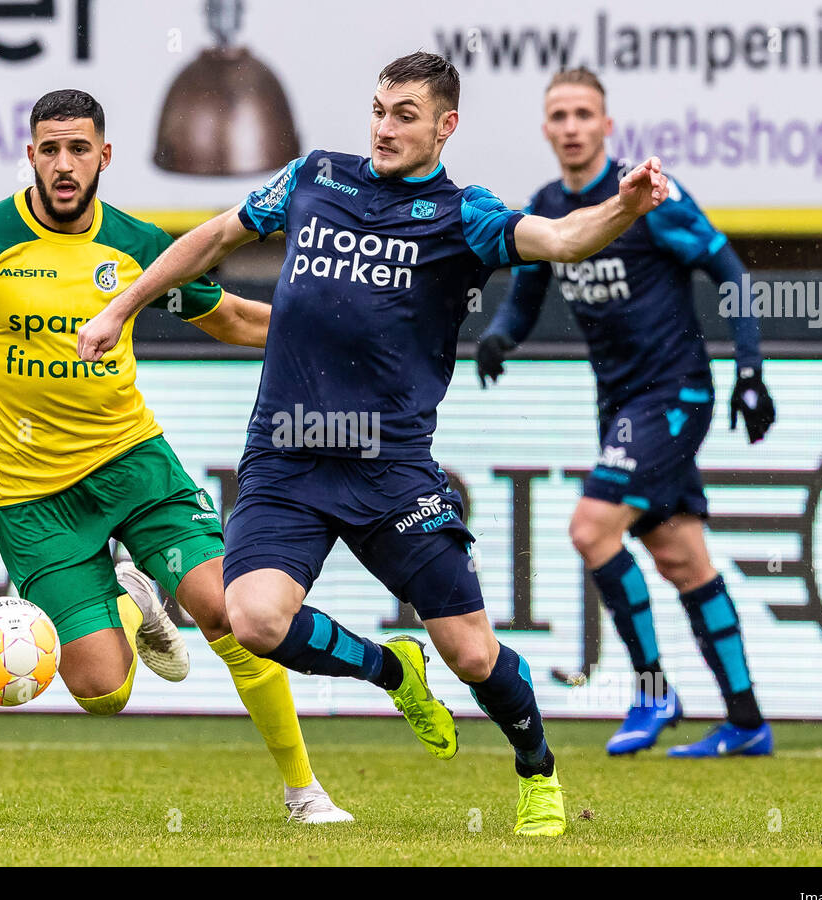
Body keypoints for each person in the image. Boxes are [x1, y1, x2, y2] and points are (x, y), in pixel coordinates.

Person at [75, 54, 668, 835]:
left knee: (474, 655)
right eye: (380, 110)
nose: (385, 128)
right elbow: (215, 236)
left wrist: (623, 209)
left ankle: (538, 773)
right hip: (286, 457)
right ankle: (392, 669)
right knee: (252, 618)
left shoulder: (465, 214)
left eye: (406, 115)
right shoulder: (317, 175)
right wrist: (123, 308)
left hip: (392, 471)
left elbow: (560, 239)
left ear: (445, 126)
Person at [0, 88, 352, 824]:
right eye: (49, 149)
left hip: (132, 465)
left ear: (104, 155)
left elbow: (226, 317)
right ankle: (134, 606)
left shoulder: (136, 245)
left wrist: (331, 334)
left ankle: (304, 792)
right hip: (32, 501)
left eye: (78, 149)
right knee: (104, 692)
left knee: (227, 611)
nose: (64, 165)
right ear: (29, 154)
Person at [477, 68, 777, 758]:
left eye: (586, 113)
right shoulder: (550, 207)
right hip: (620, 406)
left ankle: (651, 690)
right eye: (560, 114)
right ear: (547, 129)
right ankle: (746, 721)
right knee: (681, 557)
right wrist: (499, 336)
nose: (574, 125)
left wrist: (751, 372)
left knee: (590, 528)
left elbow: (730, 271)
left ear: (607, 127)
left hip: (675, 397)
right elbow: (527, 293)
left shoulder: (648, 197)